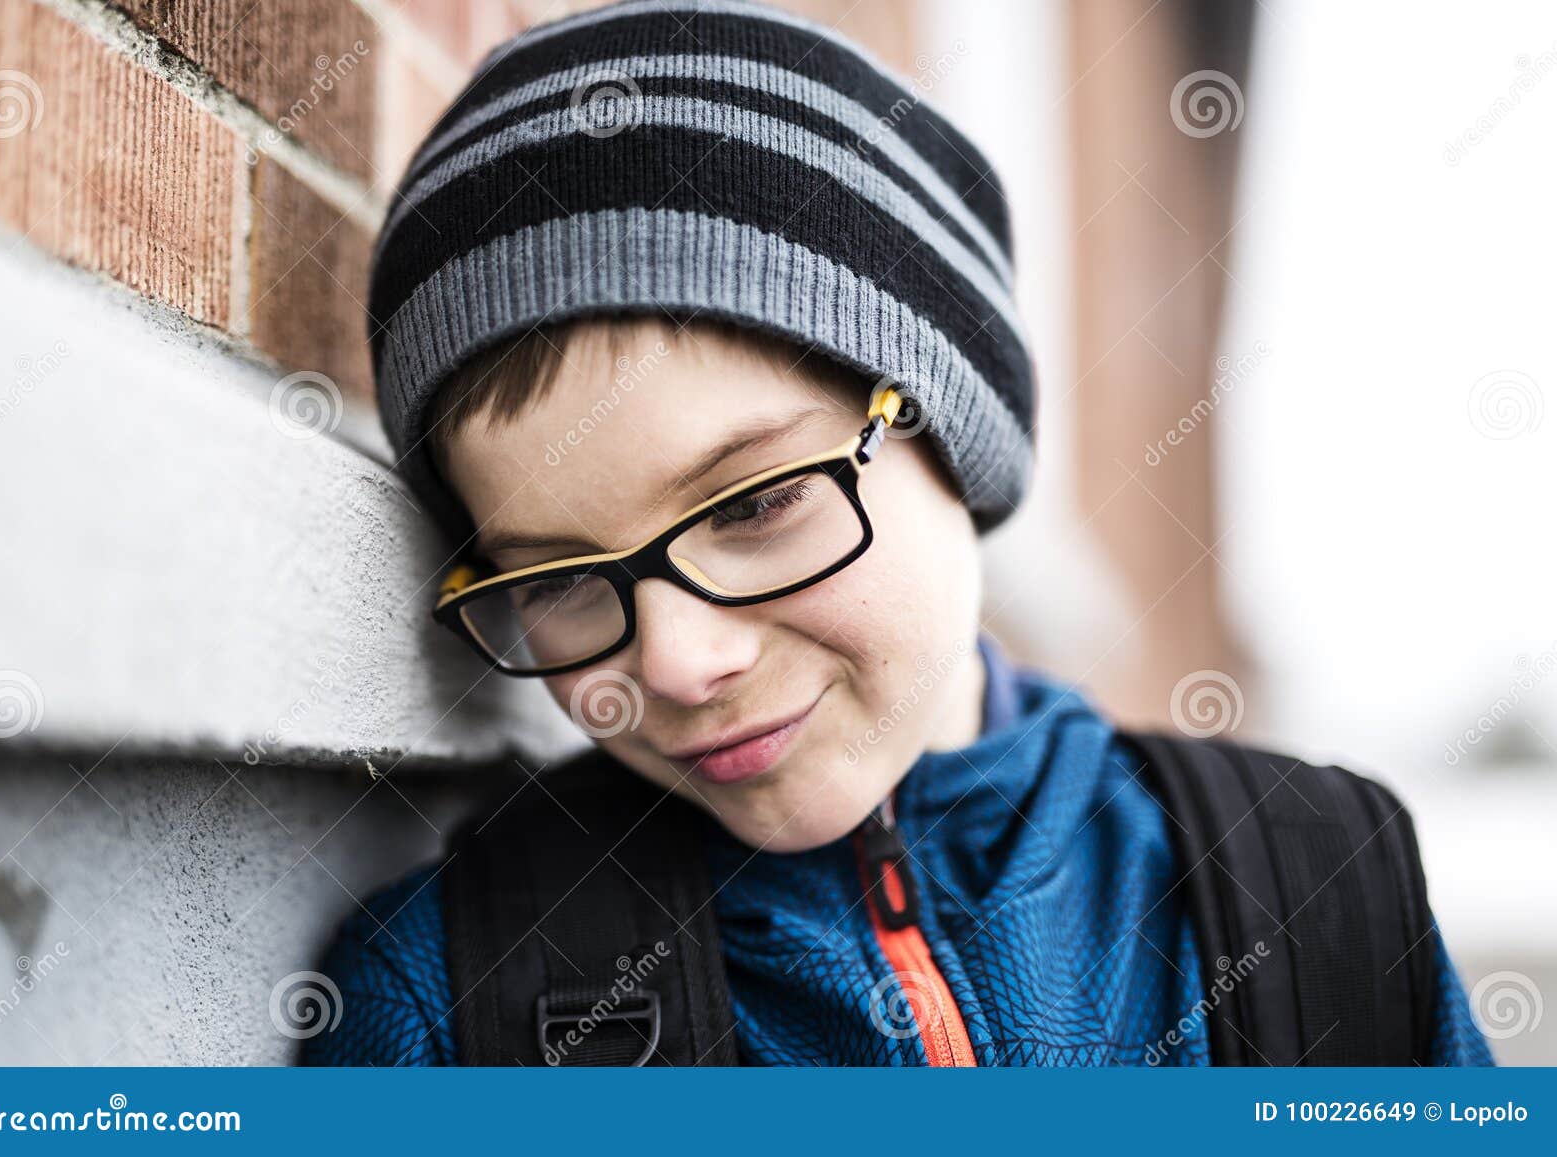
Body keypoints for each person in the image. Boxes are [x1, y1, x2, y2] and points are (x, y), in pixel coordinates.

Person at [302, 0, 1491, 1067]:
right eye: (560, 580)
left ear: (952, 432)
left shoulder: (1316, 889)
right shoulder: (450, 1006)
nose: (675, 662)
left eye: (754, 504)